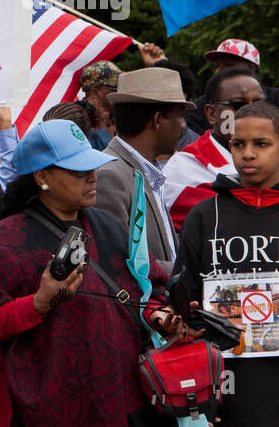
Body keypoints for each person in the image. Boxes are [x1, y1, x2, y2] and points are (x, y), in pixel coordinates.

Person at [0, 120, 186, 427]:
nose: (92, 177)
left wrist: (158, 315)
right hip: (47, 417)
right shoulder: (5, 242)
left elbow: (142, 287)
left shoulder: (107, 225)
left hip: (118, 404)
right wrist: (39, 302)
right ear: (42, 177)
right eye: (77, 170)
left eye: (91, 166)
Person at [174, 101, 279, 427]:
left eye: (262, 144)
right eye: (238, 144)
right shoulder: (206, 215)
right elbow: (182, 295)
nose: (248, 154)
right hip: (230, 394)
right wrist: (188, 314)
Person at [93, 68, 189, 274]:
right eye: (179, 116)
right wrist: (186, 272)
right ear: (158, 119)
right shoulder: (110, 176)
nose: (182, 126)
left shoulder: (146, 170)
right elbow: (116, 264)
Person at [164, 66, 264, 229]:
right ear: (212, 114)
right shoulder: (184, 167)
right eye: (238, 105)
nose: (254, 113)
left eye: (260, 104)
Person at [185, 39, 279, 135]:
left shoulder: (276, 97)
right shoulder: (199, 107)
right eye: (217, 65)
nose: (219, 71)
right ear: (211, 113)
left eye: (228, 64)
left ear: (251, 67)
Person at [79, 61, 120, 149]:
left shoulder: (119, 117)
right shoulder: (80, 123)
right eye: (115, 88)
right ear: (94, 93)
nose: (120, 92)